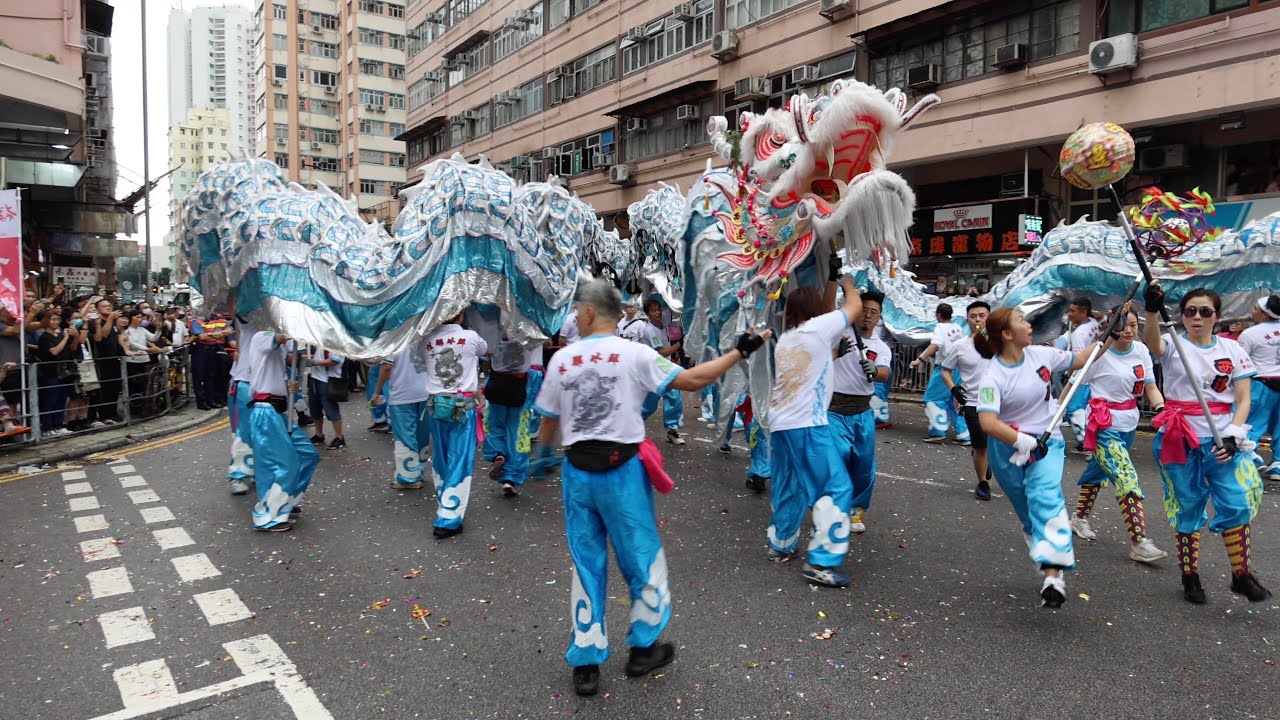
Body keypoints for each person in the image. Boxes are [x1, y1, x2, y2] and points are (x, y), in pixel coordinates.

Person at [533, 279, 765, 697]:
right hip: (622, 472)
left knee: (586, 563)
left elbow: (549, 418)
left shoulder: (562, 360)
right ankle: (643, 648)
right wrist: (740, 350)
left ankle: (586, 662)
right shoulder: (635, 354)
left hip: (577, 474)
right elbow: (694, 380)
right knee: (640, 558)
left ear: (587, 313)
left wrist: (542, 458)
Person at [1144, 283, 1268, 604]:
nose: (1197, 317)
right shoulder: (1172, 344)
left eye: (1205, 311)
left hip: (1222, 440)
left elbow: (1243, 400)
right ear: (1182, 315)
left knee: (1237, 502)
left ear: (1217, 316)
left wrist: (1234, 434)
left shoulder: (1233, 350)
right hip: (1179, 438)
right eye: (1190, 311)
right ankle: (1190, 575)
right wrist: (1151, 310)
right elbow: (1153, 343)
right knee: (1187, 505)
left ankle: (1241, 575)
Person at [975, 307, 1104, 608]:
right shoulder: (992, 376)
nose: (1028, 325)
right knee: (1028, 512)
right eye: (1021, 320)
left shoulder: (1041, 355)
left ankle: (1053, 575)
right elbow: (988, 423)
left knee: (1045, 496)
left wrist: (1110, 331)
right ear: (1007, 334)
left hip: (1048, 442)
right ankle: (1048, 561)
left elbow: (1082, 359)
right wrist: (1022, 441)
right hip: (1007, 449)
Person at [766, 273, 863, 588]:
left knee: (788, 484)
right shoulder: (819, 328)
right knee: (836, 488)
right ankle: (821, 563)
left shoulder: (787, 339)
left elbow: (808, 368)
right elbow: (854, 308)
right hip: (807, 424)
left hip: (780, 424)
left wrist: (835, 356)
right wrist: (848, 284)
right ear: (815, 310)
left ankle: (780, 544)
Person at [1068, 307, 1168, 564]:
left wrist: (1160, 409)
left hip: (1129, 423)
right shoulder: (1098, 355)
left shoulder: (1141, 351)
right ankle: (1139, 541)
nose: (1129, 330)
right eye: (1124, 325)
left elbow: (1151, 387)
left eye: (1134, 325)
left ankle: (1078, 518)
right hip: (1102, 424)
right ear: (1112, 327)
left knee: (1098, 472)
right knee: (1125, 475)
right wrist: (1054, 410)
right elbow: (1072, 381)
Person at [828, 290, 892, 535]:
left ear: (879, 318)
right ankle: (833, 510)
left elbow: (885, 373)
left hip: (862, 413)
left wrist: (875, 371)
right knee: (837, 461)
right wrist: (836, 353)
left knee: (863, 465)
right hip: (833, 410)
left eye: (873, 312)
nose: (867, 315)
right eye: (863, 310)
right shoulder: (839, 334)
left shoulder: (881, 347)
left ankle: (855, 509)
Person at [421, 311, 488, 538]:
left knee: (441, 457)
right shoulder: (471, 337)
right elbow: (486, 350)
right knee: (460, 460)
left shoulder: (426, 339)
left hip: (436, 406)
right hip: (463, 408)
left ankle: (446, 503)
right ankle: (448, 517)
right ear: (459, 315)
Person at [246, 332, 318, 532]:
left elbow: (275, 375)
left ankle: (286, 502)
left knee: (308, 455)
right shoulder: (260, 336)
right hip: (265, 412)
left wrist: (288, 387)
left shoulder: (278, 346)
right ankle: (269, 517)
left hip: (279, 411)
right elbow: (280, 337)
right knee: (282, 465)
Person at [941, 301, 993, 500]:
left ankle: (988, 462)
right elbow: (946, 370)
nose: (978, 320)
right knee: (980, 445)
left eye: (982, 315)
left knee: (997, 445)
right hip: (972, 402)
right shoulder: (960, 346)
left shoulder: (1001, 343)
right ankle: (983, 482)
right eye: (974, 316)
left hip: (999, 403)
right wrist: (954, 389)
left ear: (989, 317)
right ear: (967, 320)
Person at [623, 298, 685, 445]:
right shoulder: (650, 330)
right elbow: (662, 352)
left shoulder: (662, 326)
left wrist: (674, 352)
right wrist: (680, 344)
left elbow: (667, 348)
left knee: (674, 396)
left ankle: (672, 430)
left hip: (664, 368)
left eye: (658, 309)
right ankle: (630, 426)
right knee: (649, 404)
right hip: (654, 369)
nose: (657, 312)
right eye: (653, 310)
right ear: (648, 314)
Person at [483, 333, 537, 496]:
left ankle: (497, 454)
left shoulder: (492, 329)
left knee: (494, 426)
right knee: (518, 431)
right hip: (520, 386)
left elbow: (485, 360)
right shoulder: (529, 331)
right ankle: (510, 477)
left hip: (496, 384)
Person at [373, 343, 433, 490]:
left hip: (402, 394)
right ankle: (420, 470)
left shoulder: (395, 340)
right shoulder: (425, 336)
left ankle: (408, 477)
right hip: (426, 392)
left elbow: (387, 367)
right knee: (422, 434)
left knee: (405, 436)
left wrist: (377, 391)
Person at [910, 303, 970, 445]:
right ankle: (965, 434)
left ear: (938, 315)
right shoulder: (958, 327)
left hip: (944, 368)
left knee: (932, 398)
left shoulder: (940, 328)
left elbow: (935, 345)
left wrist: (919, 360)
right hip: (959, 368)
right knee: (955, 401)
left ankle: (938, 431)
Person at [1241, 294, 1280, 481]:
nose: (1252, 311)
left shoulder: (1250, 334)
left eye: (1256, 308)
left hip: (1260, 384)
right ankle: (1277, 465)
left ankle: (1251, 459)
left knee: (1252, 423)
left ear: (1265, 314)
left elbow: (1239, 362)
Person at [36, 311, 84, 437]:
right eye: (52, 320)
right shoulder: (45, 337)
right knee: (50, 400)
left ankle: (58, 424)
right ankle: (47, 427)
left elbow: (73, 348)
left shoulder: (62, 334)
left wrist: (76, 336)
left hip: (65, 372)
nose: (55, 322)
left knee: (61, 399)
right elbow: (54, 351)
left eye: (57, 320)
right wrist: (66, 338)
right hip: (51, 372)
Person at [226, 312, 259, 495]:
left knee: (264, 433)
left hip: (271, 386)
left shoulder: (281, 325)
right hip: (246, 384)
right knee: (243, 433)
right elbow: (236, 305)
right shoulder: (249, 321)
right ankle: (238, 475)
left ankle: (256, 469)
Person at [1063, 297, 1100, 453]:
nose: (1069, 314)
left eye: (1073, 311)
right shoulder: (1094, 323)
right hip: (1096, 375)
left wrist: (1069, 376)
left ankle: (1087, 442)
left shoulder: (1079, 333)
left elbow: (1078, 360)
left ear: (1083, 312)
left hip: (1082, 378)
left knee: (1072, 410)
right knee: (1087, 410)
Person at [87, 299, 123, 426]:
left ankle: (108, 415)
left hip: (114, 359)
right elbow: (103, 336)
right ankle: (94, 417)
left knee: (113, 389)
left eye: (109, 305)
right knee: (100, 390)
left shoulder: (114, 322)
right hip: (100, 360)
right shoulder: (94, 322)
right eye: (104, 306)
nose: (108, 308)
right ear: (97, 309)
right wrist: (110, 319)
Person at [305, 345, 346, 449]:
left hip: (328, 380)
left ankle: (339, 437)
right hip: (315, 378)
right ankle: (319, 435)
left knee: (331, 409)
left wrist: (314, 363)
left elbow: (334, 361)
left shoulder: (334, 341)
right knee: (314, 408)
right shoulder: (321, 341)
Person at [190, 313, 232, 410]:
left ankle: (211, 400)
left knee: (211, 376)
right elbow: (202, 337)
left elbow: (229, 331)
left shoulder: (221, 321)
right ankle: (202, 402)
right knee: (199, 376)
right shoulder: (196, 322)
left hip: (214, 349)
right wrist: (220, 334)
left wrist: (211, 335)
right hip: (201, 350)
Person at [121, 311, 161, 412]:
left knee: (145, 385)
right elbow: (132, 343)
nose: (140, 319)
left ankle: (144, 406)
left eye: (141, 317)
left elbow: (153, 338)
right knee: (133, 385)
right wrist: (147, 349)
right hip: (132, 361)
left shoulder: (142, 329)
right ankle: (133, 408)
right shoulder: (126, 331)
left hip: (145, 360)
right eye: (137, 317)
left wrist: (158, 328)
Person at [365, 357, 390, 432]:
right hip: (376, 360)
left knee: (388, 392)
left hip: (388, 359)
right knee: (372, 390)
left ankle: (392, 423)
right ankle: (380, 421)